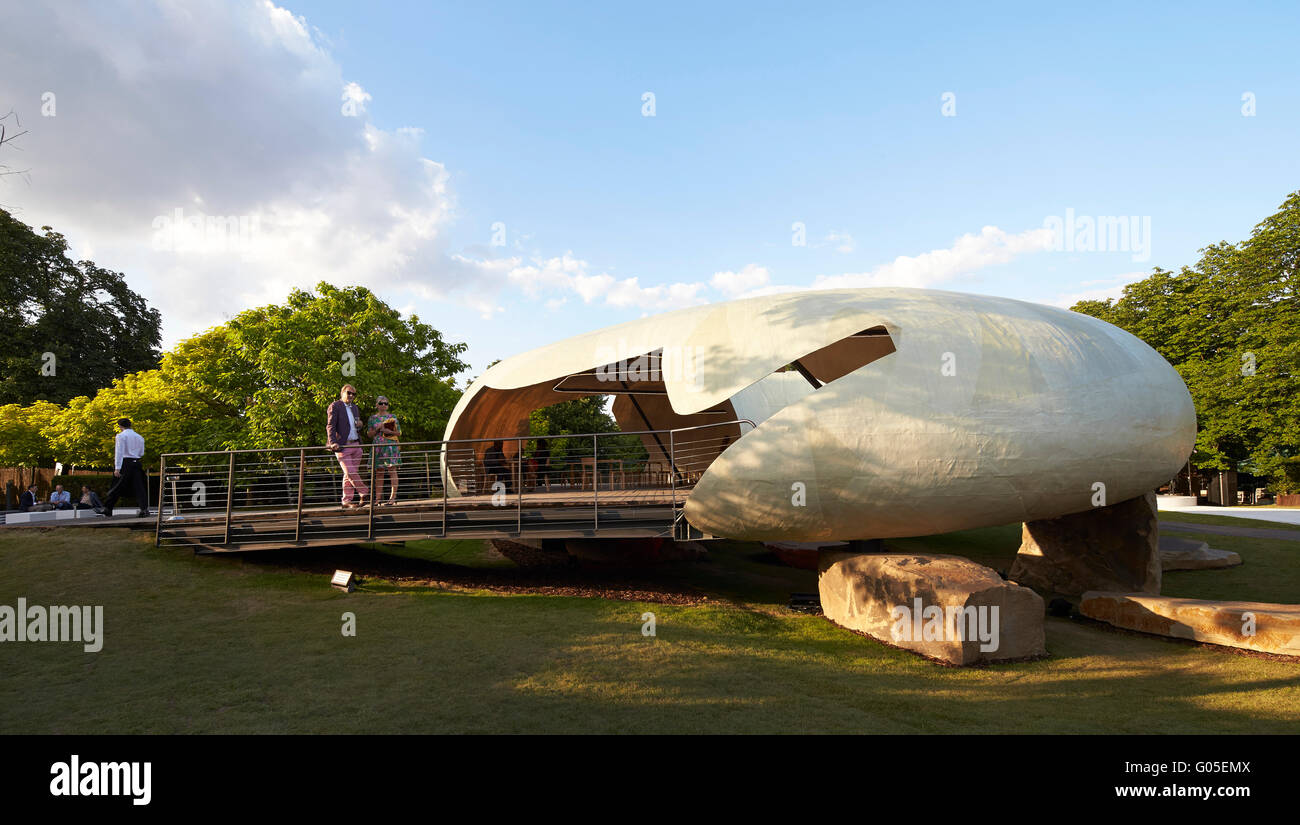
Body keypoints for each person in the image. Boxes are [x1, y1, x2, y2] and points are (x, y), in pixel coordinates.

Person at [327, 384, 369, 508]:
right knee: (350, 472)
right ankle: (365, 492)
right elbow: (330, 425)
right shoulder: (335, 406)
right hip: (342, 446)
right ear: (342, 393)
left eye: (353, 394)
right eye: (349, 393)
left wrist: (360, 425)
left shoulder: (355, 408)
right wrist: (332, 442)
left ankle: (346, 501)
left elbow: (355, 425)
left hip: (356, 445)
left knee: (349, 475)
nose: (351, 396)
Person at [99, 417, 149, 518]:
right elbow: (141, 452)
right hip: (136, 462)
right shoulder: (139, 437)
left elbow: (119, 452)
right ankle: (144, 509)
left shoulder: (121, 436)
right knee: (139, 487)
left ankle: (108, 508)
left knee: (116, 485)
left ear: (120, 426)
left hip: (125, 462)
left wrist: (117, 467)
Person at [365, 396, 402, 505]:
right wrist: (378, 428)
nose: (384, 405)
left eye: (386, 403)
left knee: (392, 471)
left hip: (390, 447)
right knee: (379, 473)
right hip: (378, 447)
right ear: (376, 405)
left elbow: (399, 433)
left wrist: (387, 430)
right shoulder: (372, 418)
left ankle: (392, 498)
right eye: (381, 403)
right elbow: (369, 434)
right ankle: (377, 499)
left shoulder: (393, 417)